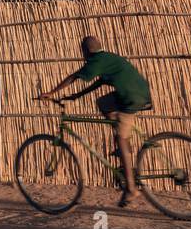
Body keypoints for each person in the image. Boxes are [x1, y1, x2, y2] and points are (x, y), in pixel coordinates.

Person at [38, 35, 153, 206]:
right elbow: (98, 83)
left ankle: (131, 188)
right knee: (103, 103)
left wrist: (51, 92)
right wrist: (77, 95)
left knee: (121, 137)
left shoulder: (96, 61)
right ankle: (122, 147)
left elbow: (74, 76)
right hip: (138, 92)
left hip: (131, 98)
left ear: (86, 51)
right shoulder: (106, 58)